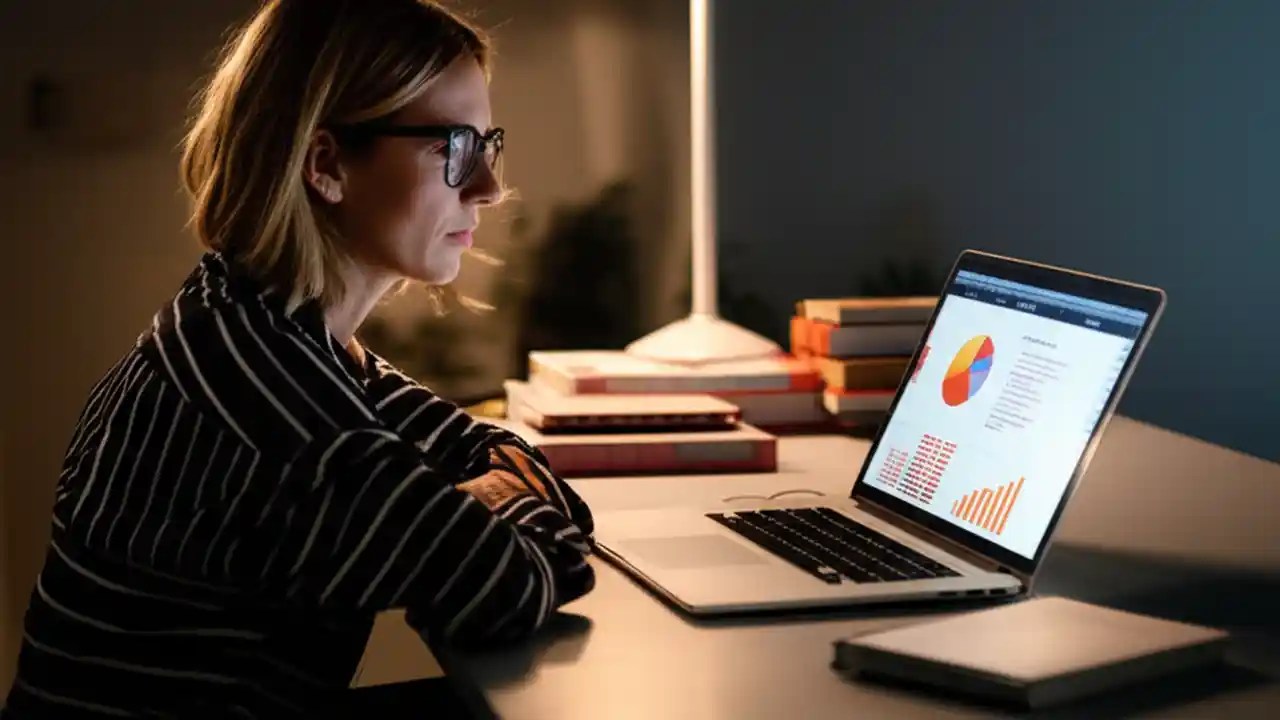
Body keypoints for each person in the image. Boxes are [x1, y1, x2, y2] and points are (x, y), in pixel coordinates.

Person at [1, 0, 595, 716]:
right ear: (327, 164)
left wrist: (474, 508)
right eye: (455, 148)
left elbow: (508, 458)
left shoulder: (260, 328)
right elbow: (512, 583)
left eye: (486, 145)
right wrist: (478, 515)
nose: (489, 188)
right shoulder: (273, 403)